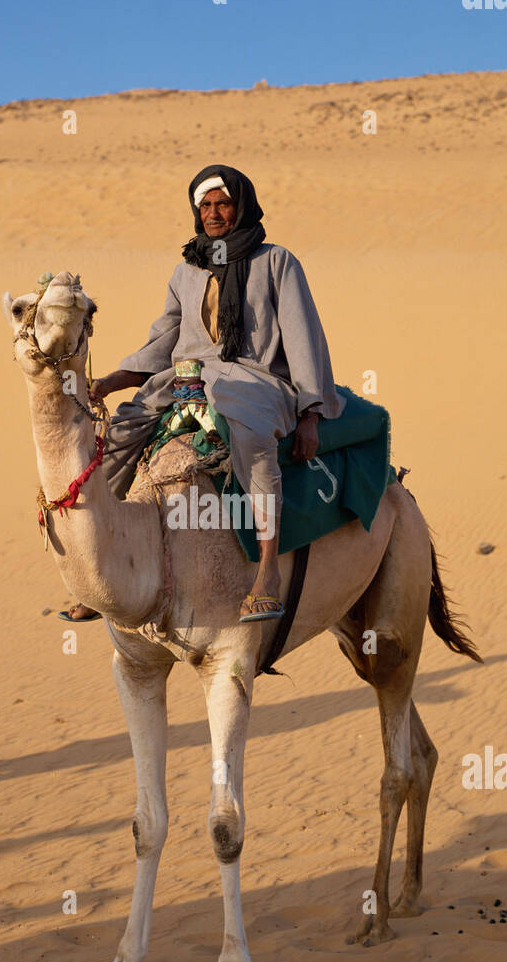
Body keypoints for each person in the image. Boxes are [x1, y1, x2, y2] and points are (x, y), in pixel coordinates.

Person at [59, 163, 343, 624]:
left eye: (223, 204)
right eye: (205, 205)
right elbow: (165, 336)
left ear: (241, 206)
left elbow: (303, 336)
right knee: (120, 435)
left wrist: (310, 411)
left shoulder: (277, 262)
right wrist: (114, 380)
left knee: (250, 441)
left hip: (255, 377)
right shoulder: (186, 270)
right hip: (186, 376)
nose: (213, 213)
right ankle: (99, 575)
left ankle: (267, 572)